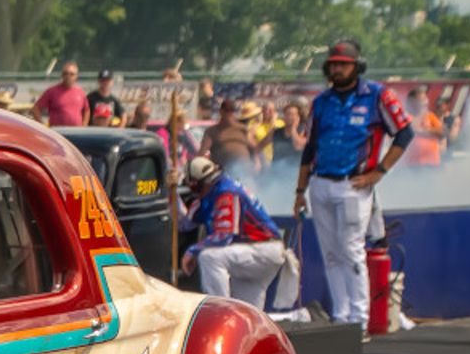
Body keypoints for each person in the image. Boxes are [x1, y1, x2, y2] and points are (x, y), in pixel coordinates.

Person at [293, 40, 412, 328]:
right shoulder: (321, 102)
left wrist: (379, 171)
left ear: (356, 66)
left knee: (351, 250)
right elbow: (310, 148)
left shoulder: (378, 95)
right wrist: (300, 190)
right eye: (333, 64)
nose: (337, 69)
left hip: (354, 184)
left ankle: (359, 319)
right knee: (330, 253)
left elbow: (405, 133)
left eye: (343, 64)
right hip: (320, 183)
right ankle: (341, 315)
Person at [179, 156, 285, 307]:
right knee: (246, 312)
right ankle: (300, 316)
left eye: (194, 188)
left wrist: (193, 251)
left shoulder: (227, 192)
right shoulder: (209, 195)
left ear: (201, 183)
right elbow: (183, 224)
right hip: (253, 251)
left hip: (263, 249)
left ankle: (219, 310)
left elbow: (224, 236)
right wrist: (172, 193)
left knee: (209, 257)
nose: (193, 192)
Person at [203, 98, 257, 174]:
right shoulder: (211, 131)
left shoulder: (243, 129)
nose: (229, 113)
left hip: (245, 172)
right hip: (223, 172)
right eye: (227, 110)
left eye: (232, 110)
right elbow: (202, 152)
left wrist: (256, 162)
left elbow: (254, 148)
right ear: (221, 111)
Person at [32, 62, 89, 127]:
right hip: (57, 131)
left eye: (71, 74)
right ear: (62, 75)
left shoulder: (80, 92)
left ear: (76, 76)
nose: (68, 76)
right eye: (65, 73)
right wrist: (42, 126)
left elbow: (86, 110)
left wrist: (84, 126)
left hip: (76, 131)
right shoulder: (51, 91)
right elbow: (35, 109)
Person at [406, 87, 446, 167]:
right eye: (421, 99)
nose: (425, 101)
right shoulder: (406, 116)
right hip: (412, 163)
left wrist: (423, 130)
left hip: (431, 162)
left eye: (425, 99)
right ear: (412, 102)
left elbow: (442, 132)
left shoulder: (430, 116)